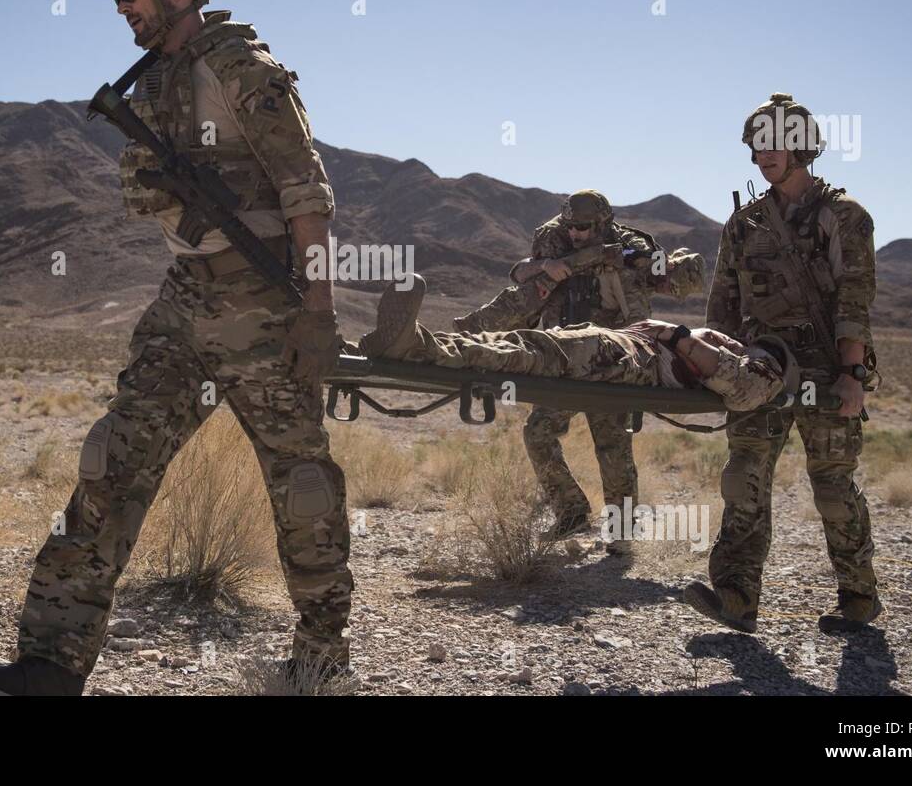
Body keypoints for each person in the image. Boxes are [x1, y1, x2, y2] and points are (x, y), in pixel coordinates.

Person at [0, 0, 353, 696]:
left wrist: (318, 310)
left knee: (302, 489)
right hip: (186, 299)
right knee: (111, 462)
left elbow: (307, 193)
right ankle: (50, 663)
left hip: (267, 309)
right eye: (115, 1)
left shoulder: (246, 71)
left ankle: (321, 663)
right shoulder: (150, 87)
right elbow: (145, 197)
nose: (123, 12)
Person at [682, 92, 881, 636]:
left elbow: (853, 301)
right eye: (755, 145)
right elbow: (722, 306)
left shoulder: (844, 216)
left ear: (801, 148)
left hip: (826, 368)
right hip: (760, 369)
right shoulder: (743, 224)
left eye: (773, 144)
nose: (761, 154)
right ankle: (736, 596)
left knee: (833, 488)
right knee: (743, 477)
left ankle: (859, 598)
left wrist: (851, 375)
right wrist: (715, 368)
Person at [454, 190, 705, 546]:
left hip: (612, 362)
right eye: (571, 227)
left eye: (584, 228)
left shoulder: (628, 244)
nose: (576, 234)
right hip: (564, 361)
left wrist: (644, 263)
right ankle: (571, 512)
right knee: (538, 433)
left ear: (602, 224)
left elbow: (671, 276)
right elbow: (522, 280)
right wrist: (545, 267)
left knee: (613, 447)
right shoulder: (555, 243)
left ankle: (621, 533)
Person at [358, 274, 790, 421]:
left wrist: (676, 335)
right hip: (625, 348)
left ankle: (416, 347)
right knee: (523, 346)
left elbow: (743, 391)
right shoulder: (746, 351)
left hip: (633, 360)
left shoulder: (767, 370)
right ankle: (409, 343)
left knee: (530, 353)